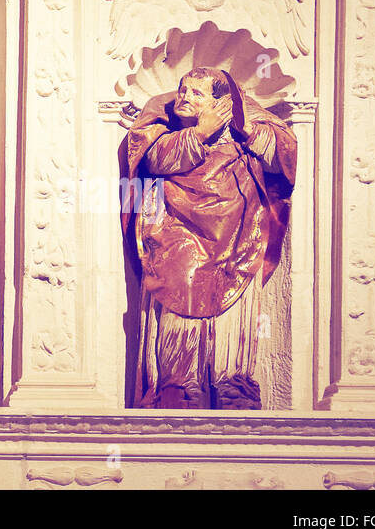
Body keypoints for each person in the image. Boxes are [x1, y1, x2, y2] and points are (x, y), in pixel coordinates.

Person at [124, 67, 297, 409]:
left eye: (196, 93)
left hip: (238, 239)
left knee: (232, 311)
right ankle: (180, 386)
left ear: (223, 103)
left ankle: (231, 383)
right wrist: (199, 134)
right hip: (179, 237)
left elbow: (285, 158)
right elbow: (152, 160)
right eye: (182, 90)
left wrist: (245, 128)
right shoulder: (165, 124)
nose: (184, 97)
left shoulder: (247, 122)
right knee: (179, 294)